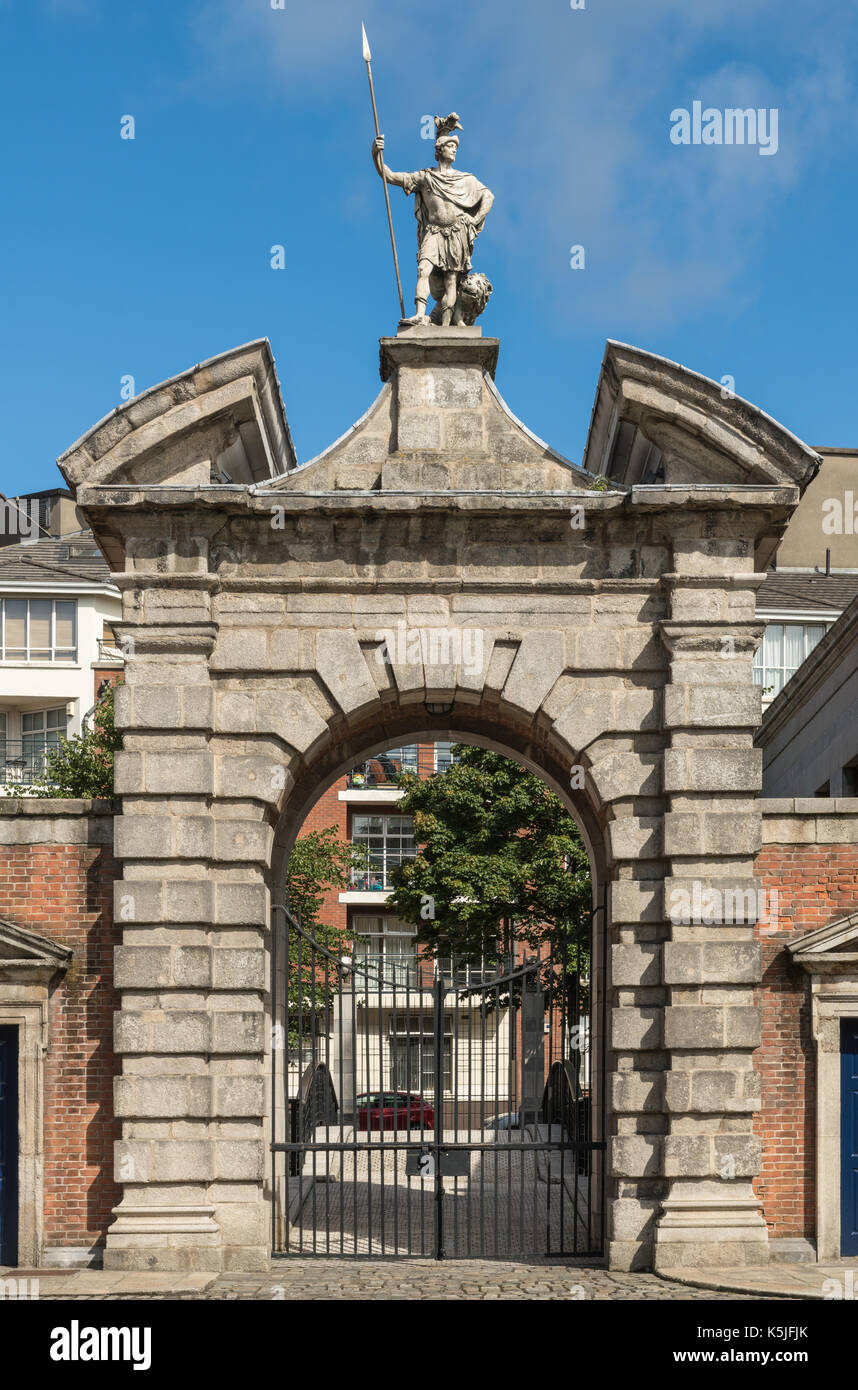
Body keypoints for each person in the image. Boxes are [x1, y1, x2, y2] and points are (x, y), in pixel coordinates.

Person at [371, 129, 494, 325]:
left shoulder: (465, 179)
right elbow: (390, 176)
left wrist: (474, 219)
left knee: (451, 280)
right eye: (450, 147)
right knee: (423, 269)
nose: (454, 151)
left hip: (456, 231)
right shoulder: (425, 177)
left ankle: (445, 324)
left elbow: (488, 196)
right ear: (440, 150)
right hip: (434, 231)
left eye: (455, 148)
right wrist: (376, 154)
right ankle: (420, 314)